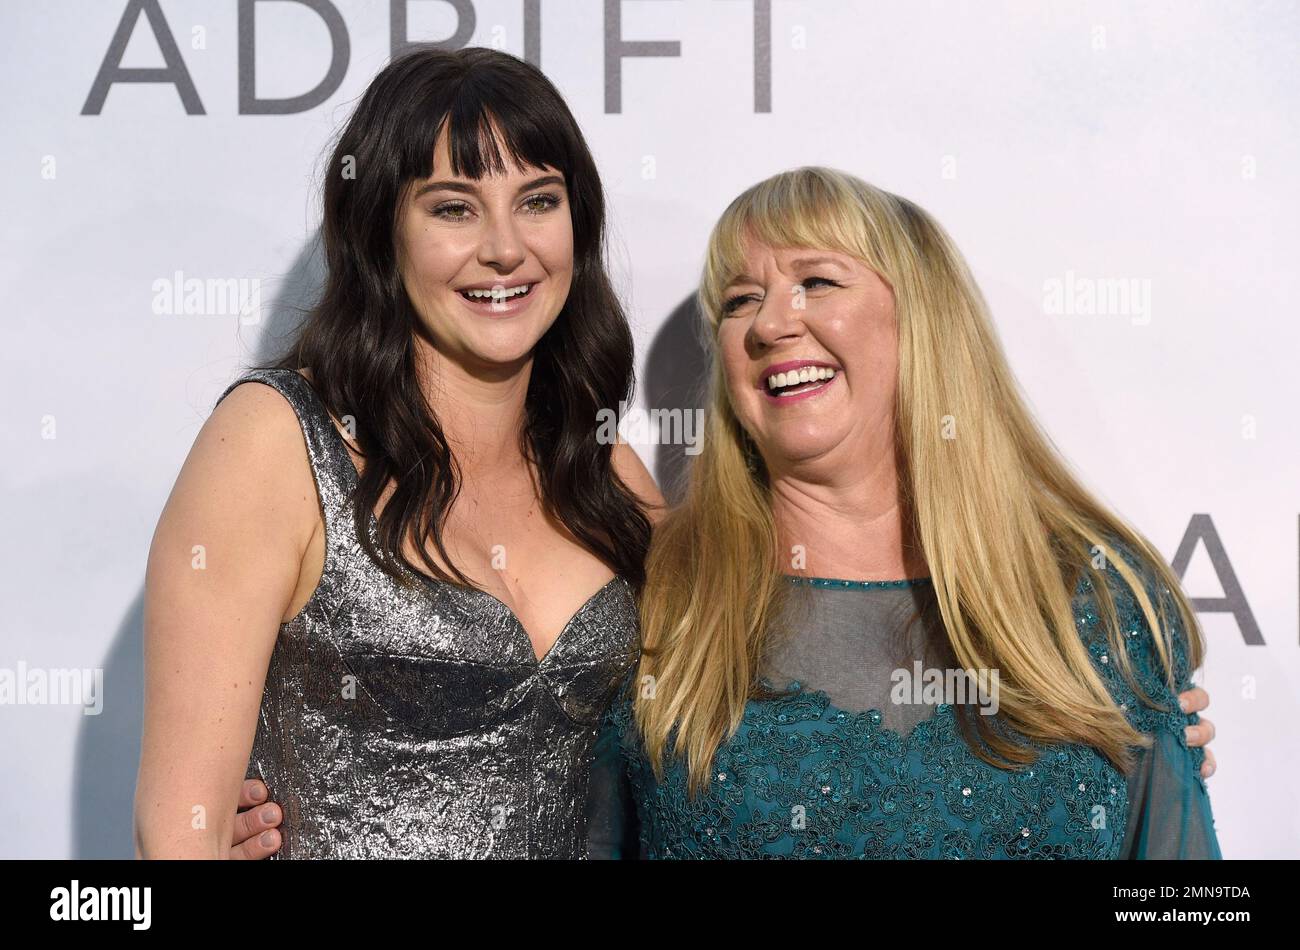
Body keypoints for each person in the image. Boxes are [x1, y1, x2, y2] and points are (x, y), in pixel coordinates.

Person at [586, 167, 1221, 859]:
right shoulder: (657, 599)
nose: (768, 324)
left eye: (816, 282)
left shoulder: (1099, 594)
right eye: (741, 300)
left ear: (923, 318)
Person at [134, 47, 661, 859]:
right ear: (383, 231)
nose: (505, 249)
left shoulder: (601, 465)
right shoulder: (275, 443)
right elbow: (180, 835)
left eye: (539, 201)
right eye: (454, 209)